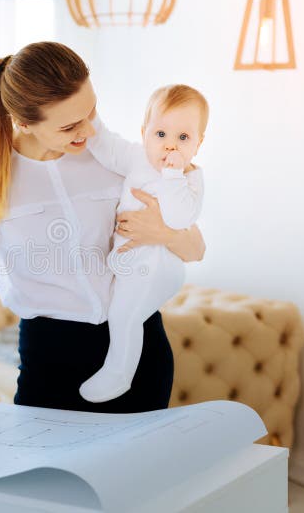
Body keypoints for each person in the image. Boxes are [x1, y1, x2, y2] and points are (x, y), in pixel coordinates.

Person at [0, 42, 205, 427]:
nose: (88, 131)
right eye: (70, 125)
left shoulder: (115, 158)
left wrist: (162, 231)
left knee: (138, 483)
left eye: (91, 112)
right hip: (50, 359)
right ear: (23, 123)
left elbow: (195, 249)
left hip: (139, 347)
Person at [79, 84, 208, 403]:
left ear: (198, 143)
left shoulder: (190, 177)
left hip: (159, 265)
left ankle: (119, 374)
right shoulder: (137, 158)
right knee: (118, 307)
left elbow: (180, 219)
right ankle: (118, 365)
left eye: (183, 138)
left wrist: (173, 176)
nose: (170, 147)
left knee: (126, 314)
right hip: (130, 263)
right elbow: (106, 145)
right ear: (144, 132)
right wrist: (90, 116)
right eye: (161, 134)